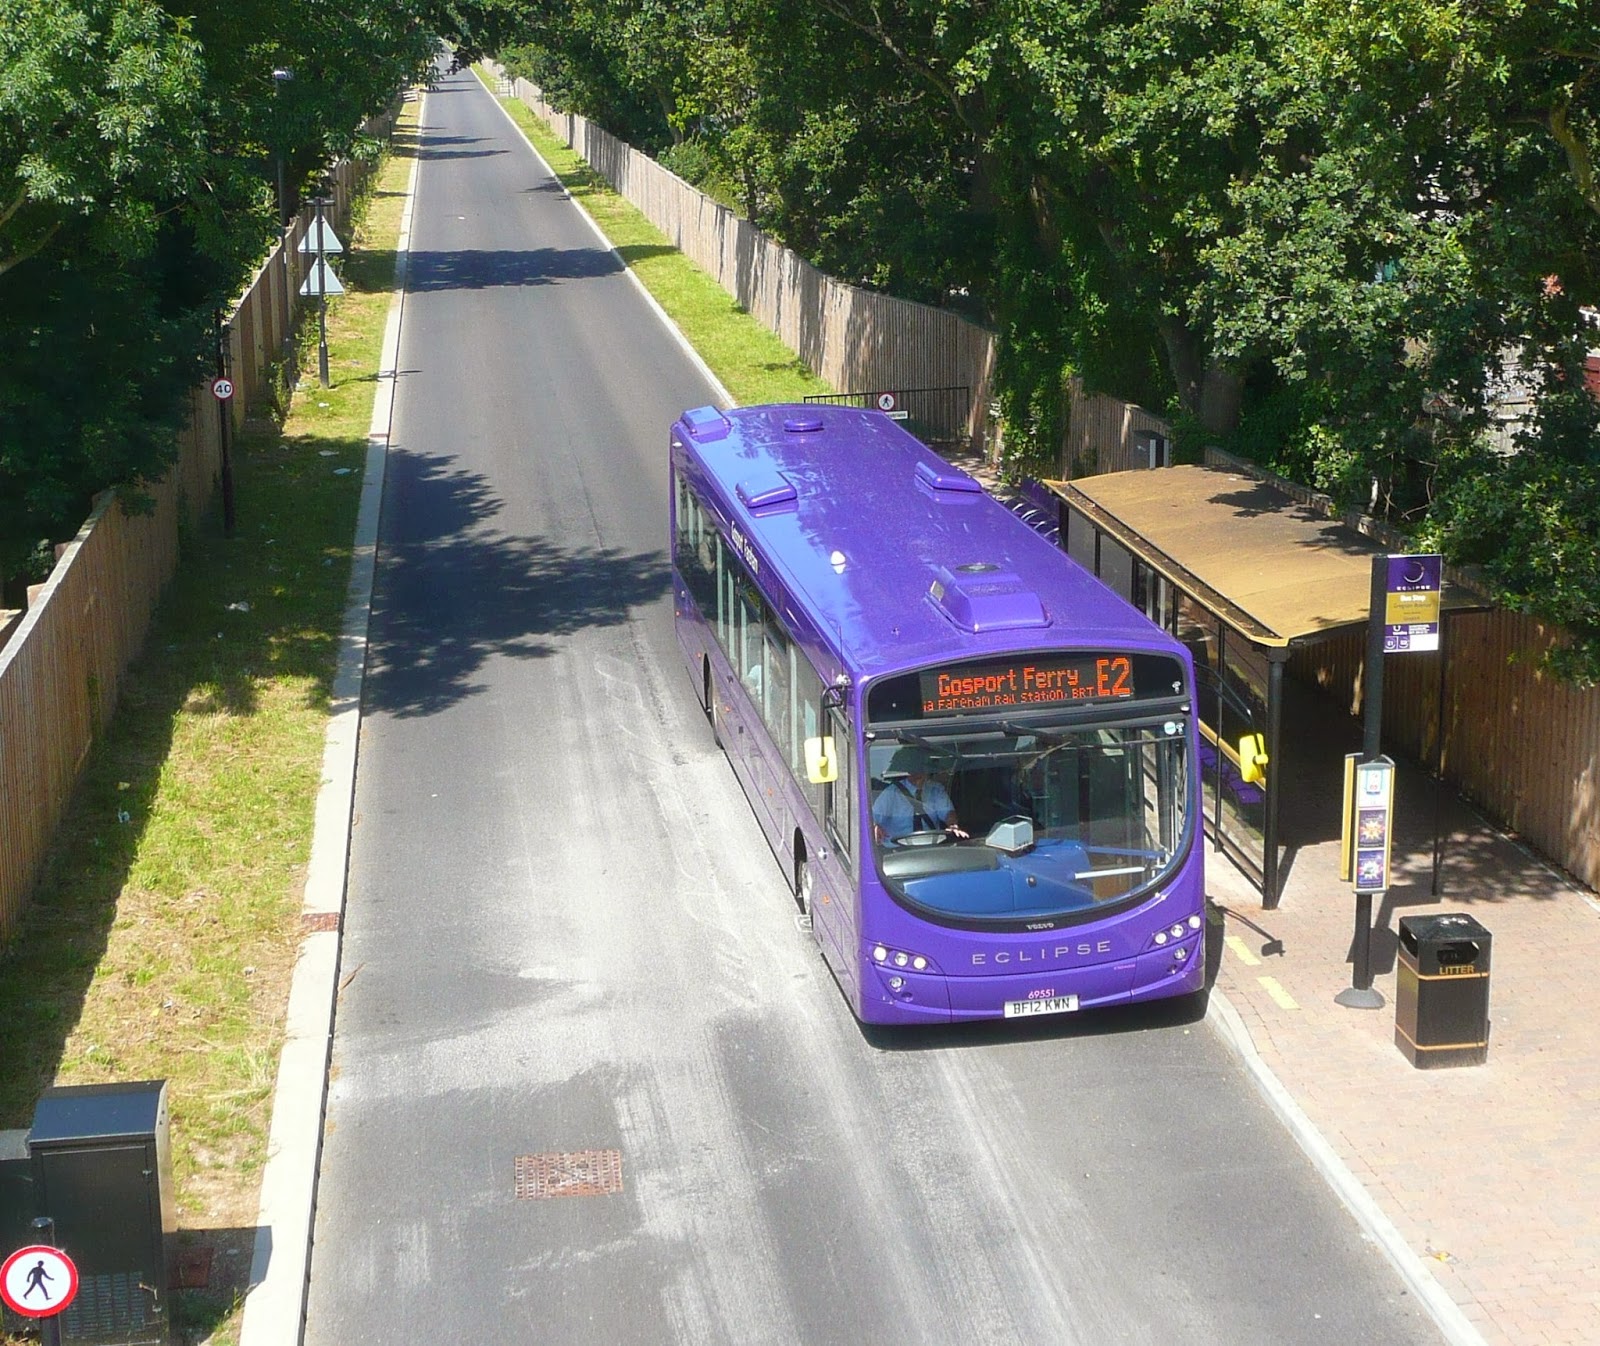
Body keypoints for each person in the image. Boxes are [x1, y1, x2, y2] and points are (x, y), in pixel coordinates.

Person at [873, 745, 967, 843]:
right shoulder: (891, 793)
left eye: (923, 767)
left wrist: (952, 825)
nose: (920, 772)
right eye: (915, 767)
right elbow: (873, 819)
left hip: (932, 847)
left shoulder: (935, 790)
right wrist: (875, 827)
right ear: (908, 770)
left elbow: (948, 812)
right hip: (898, 850)